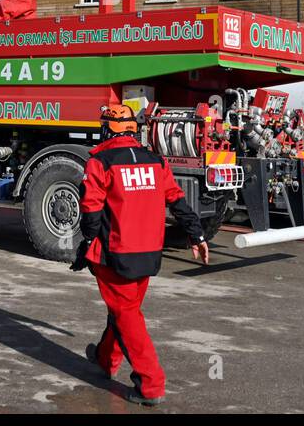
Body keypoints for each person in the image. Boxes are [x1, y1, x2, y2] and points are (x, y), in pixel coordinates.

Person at [71, 103, 210, 406]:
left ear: (106, 129)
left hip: (115, 253)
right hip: (148, 254)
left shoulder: (100, 161)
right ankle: (105, 360)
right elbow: (177, 199)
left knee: (127, 315)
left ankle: (150, 384)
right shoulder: (155, 161)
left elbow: (91, 210)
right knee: (125, 310)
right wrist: (197, 235)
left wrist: (86, 246)